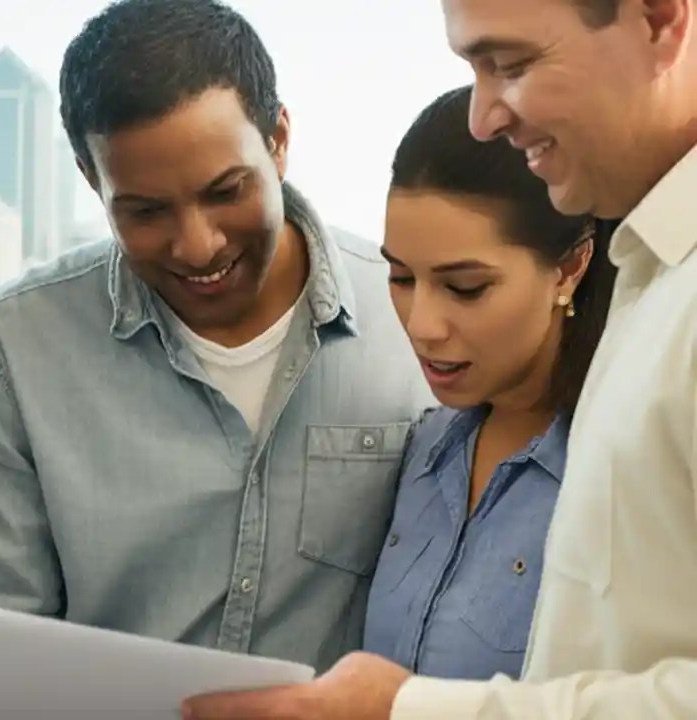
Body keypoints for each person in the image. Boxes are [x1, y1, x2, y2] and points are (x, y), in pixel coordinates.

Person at [182, 0, 697, 717]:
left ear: (659, 19)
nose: (484, 117)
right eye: (400, 277)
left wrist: (406, 709)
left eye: (512, 64)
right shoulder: (432, 446)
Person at [0, 0, 432, 672]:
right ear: (90, 178)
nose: (197, 246)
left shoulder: (415, 322)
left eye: (226, 192)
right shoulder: (8, 355)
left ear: (279, 140)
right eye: (146, 212)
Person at [363, 85, 614, 682]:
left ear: (570, 266)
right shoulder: (426, 449)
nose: (422, 326)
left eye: (465, 288)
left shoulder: (622, 468)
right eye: (401, 277)